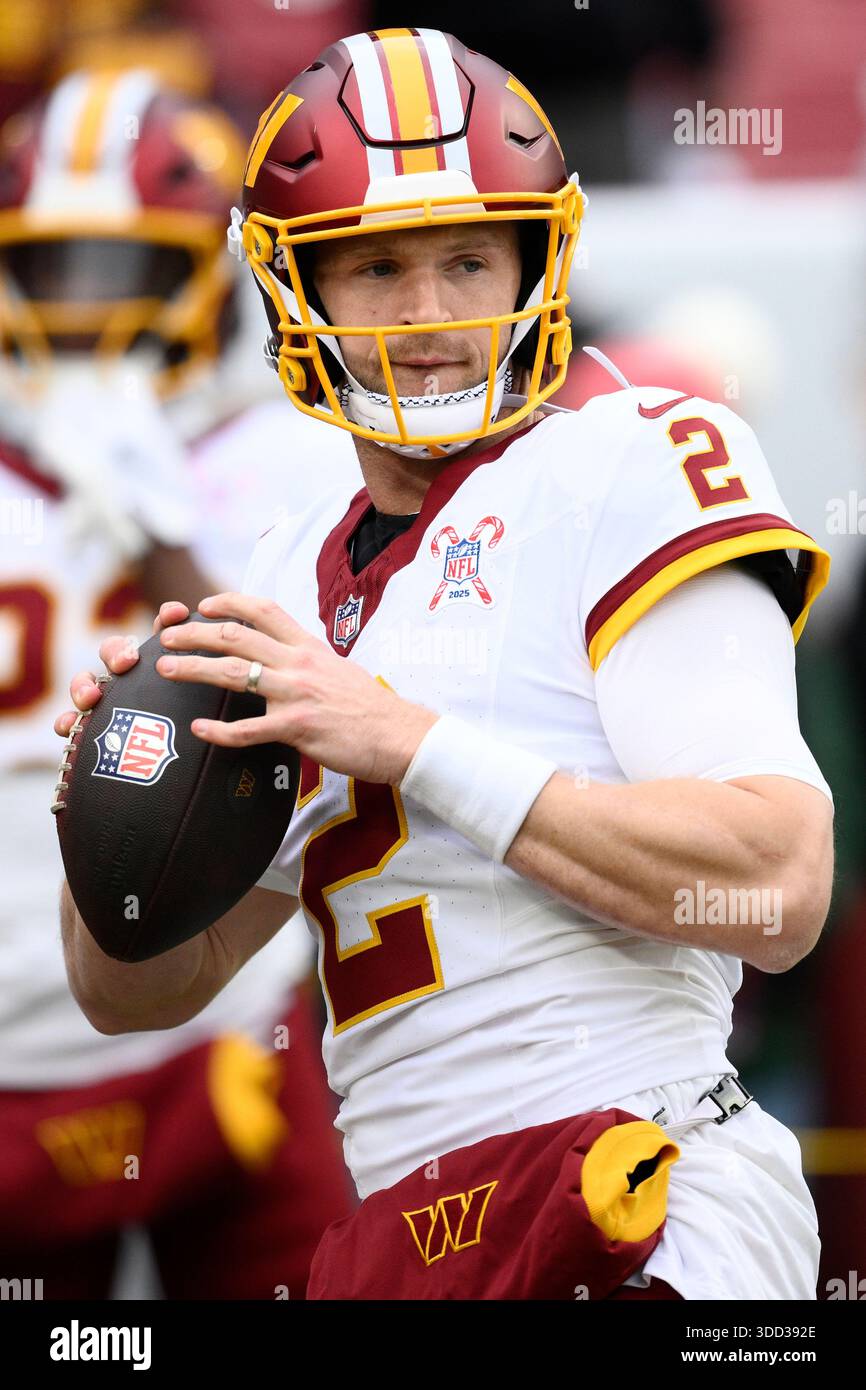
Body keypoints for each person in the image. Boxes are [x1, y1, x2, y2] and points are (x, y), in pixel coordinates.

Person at [56, 29, 834, 1300]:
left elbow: (775, 888)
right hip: (400, 1235)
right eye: (379, 272)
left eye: (470, 260)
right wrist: (109, 813)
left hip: (633, 1183)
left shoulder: (628, 461)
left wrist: (411, 741)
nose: (433, 318)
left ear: (538, 257)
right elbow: (136, 987)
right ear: (296, 288)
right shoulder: (280, 570)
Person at [0, 66, 355, 1299]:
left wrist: (161, 525)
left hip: (223, 1029)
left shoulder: (286, 449)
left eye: (124, 268)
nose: (86, 307)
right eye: (54, 268)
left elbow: (303, 712)